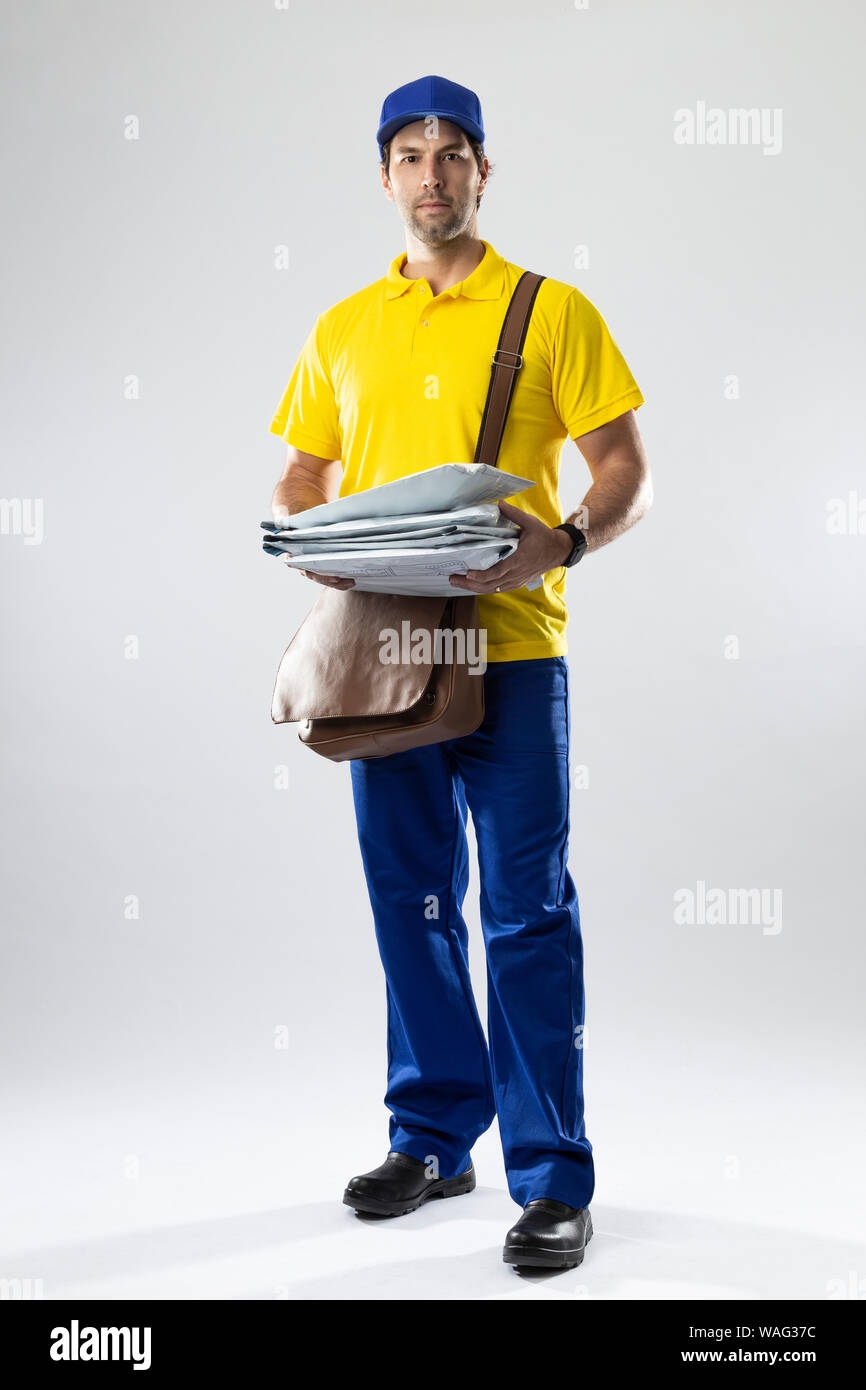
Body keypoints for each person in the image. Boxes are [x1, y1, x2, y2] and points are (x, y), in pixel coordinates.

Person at [267, 75, 652, 1272]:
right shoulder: (341, 327)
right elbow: (297, 479)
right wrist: (314, 543)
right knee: (412, 900)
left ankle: (550, 1177)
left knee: (526, 911)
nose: (430, 174)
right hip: (385, 654)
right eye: (407, 154)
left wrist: (568, 537)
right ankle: (432, 1136)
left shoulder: (552, 312)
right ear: (382, 176)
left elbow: (623, 467)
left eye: (451, 154)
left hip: (516, 649)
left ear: (485, 172)